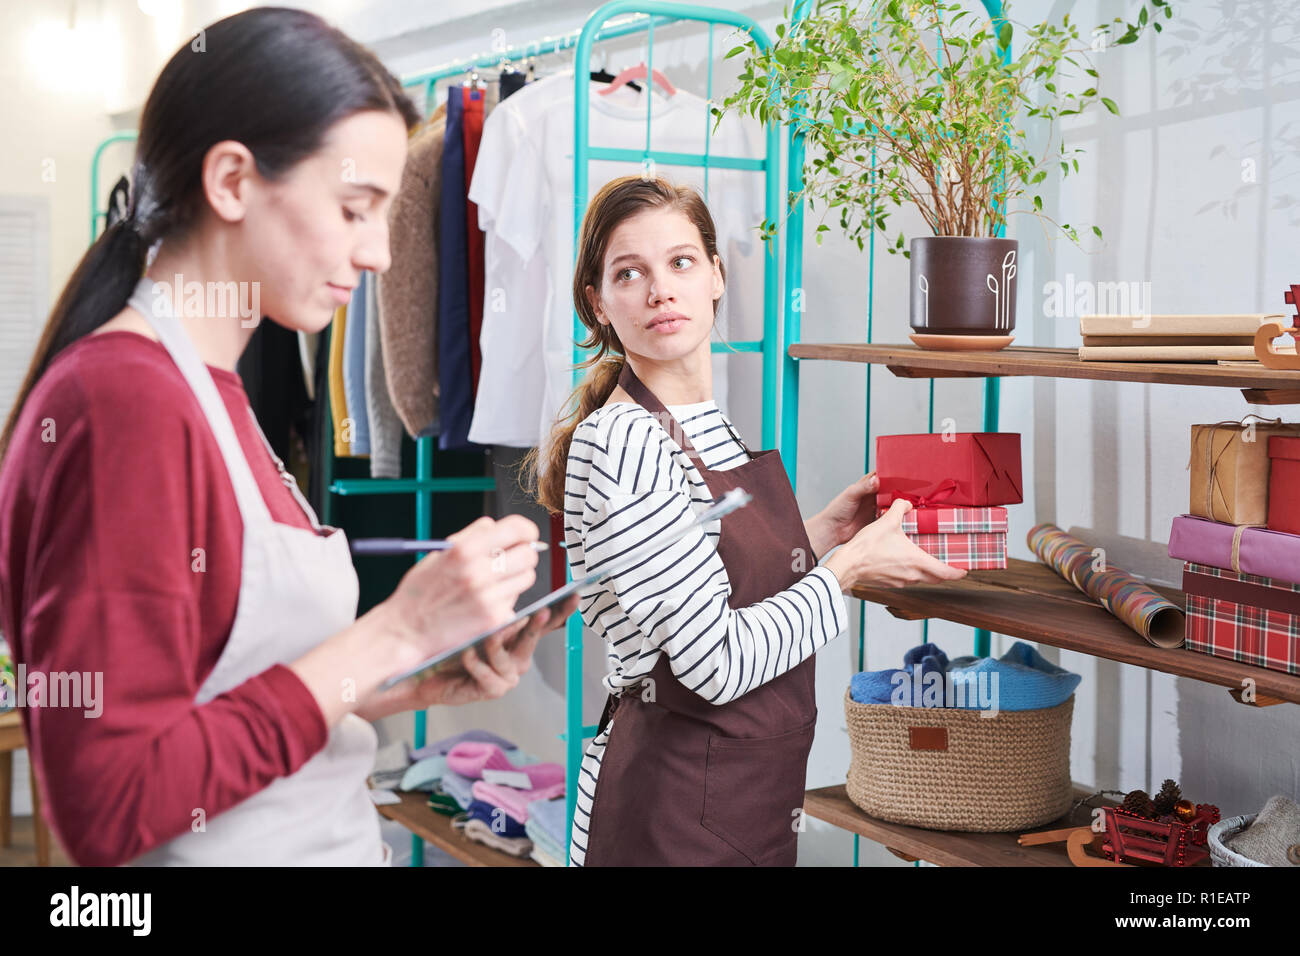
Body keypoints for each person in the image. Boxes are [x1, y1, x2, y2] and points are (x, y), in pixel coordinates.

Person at [0, 7, 575, 867]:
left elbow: (219, 699)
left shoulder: (208, 392)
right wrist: (397, 629)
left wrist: (404, 683)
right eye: (354, 209)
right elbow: (112, 803)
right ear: (232, 180)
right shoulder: (127, 403)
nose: (381, 252)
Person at [524, 175, 966, 866]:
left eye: (680, 262)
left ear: (715, 276)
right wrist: (845, 574)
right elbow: (715, 663)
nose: (660, 290)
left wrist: (820, 536)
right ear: (598, 303)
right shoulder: (626, 441)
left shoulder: (705, 425)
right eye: (629, 273)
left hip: (741, 798)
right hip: (671, 812)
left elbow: (714, 574)